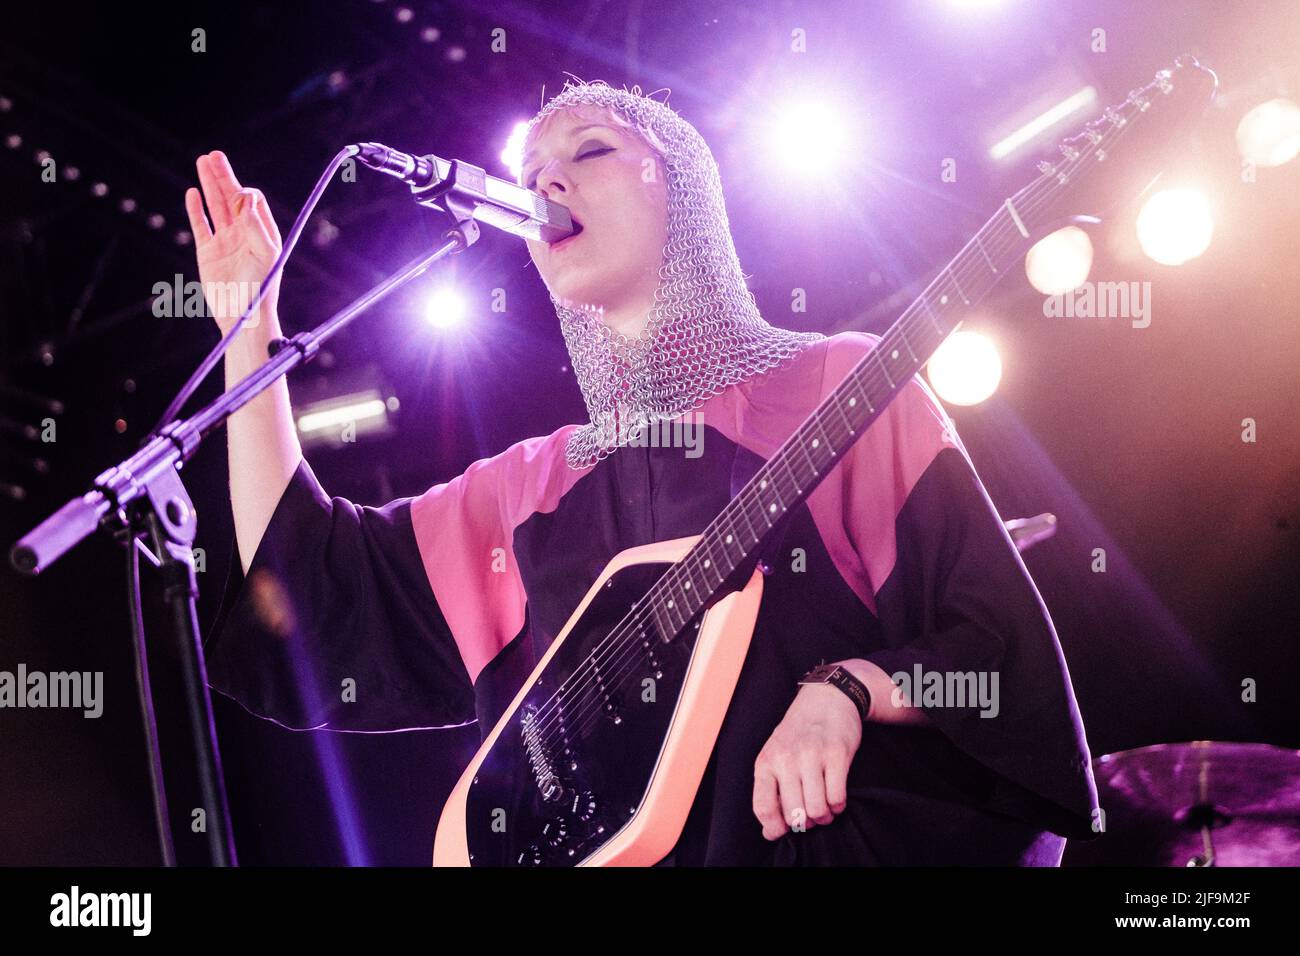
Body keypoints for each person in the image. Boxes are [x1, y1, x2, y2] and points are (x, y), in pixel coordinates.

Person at [195, 80, 1099, 866]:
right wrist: (249, 336)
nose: (545, 182)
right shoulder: (527, 487)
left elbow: (992, 654)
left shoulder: (839, 383)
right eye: (530, 173)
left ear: (685, 195)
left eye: (589, 150)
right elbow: (306, 591)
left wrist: (851, 687)